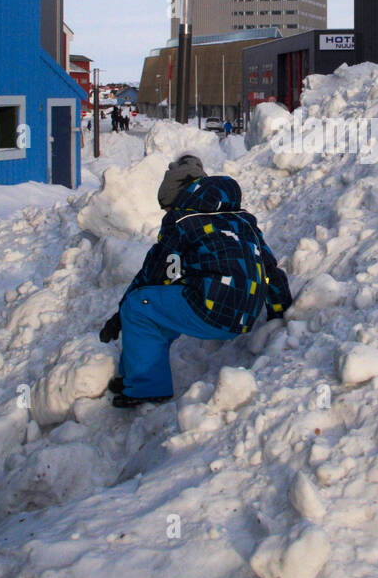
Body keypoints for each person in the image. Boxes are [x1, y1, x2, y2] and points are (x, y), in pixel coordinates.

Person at [98, 154, 293, 407]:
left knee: (139, 305)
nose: (167, 214)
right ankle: (133, 375)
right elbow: (271, 271)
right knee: (163, 308)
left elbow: (157, 274)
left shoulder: (181, 220)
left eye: (167, 208)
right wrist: (279, 314)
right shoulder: (242, 219)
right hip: (247, 313)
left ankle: (147, 386)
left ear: (176, 199)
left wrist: (120, 315)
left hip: (213, 309)